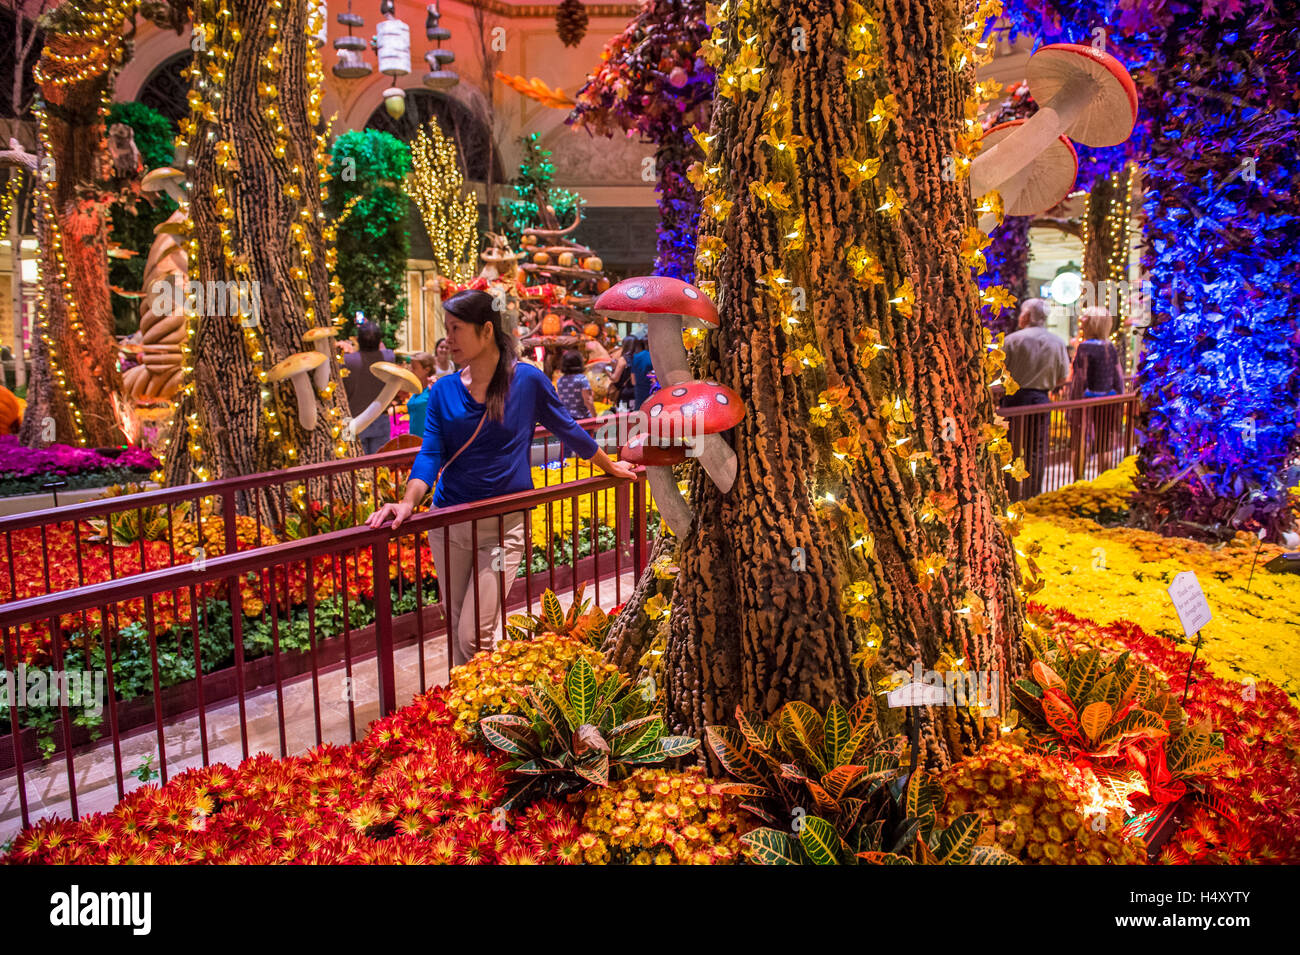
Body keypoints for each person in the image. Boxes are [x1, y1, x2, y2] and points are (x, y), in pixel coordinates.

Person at [366, 289, 636, 667]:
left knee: (475, 632)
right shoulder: (443, 391)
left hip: (501, 530)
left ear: (487, 330)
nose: (449, 339)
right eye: (447, 329)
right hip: (449, 524)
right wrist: (408, 502)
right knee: (459, 623)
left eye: (457, 329)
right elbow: (430, 453)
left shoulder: (526, 381)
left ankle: (482, 711)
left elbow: (568, 428)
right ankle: (471, 713)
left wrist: (609, 466)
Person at [1000, 298, 1069, 496]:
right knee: (1036, 450)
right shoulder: (1056, 342)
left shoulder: (1012, 340)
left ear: (1027, 316)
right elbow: (1063, 376)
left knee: (1010, 447)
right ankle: (1032, 494)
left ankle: (1010, 492)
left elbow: (999, 372)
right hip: (1040, 399)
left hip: (1013, 400)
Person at [1068, 306, 1127, 472]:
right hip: (1108, 401)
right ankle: (1103, 480)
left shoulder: (1085, 347)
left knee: (1081, 442)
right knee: (1104, 445)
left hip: (1087, 403)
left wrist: (1073, 405)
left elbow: (1080, 378)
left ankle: (1077, 481)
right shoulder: (1109, 347)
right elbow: (1118, 375)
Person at [343, 322, 396, 455]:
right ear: (379, 340)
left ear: (358, 340)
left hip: (351, 419)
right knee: (380, 466)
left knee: (353, 467)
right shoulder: (389, 357)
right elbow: (383, 349)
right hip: (380, 418)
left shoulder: (347, 360)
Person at [405, 352, 436, 439]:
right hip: (415, 442)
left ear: (427, 370)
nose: (411, 371)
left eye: (414, 368)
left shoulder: (432, 389)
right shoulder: (416, 391)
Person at [629, 336, 656, 410]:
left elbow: (633, 381)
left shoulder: (636, 357)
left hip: (639, 392)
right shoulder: (654, 357)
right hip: (652, 391)